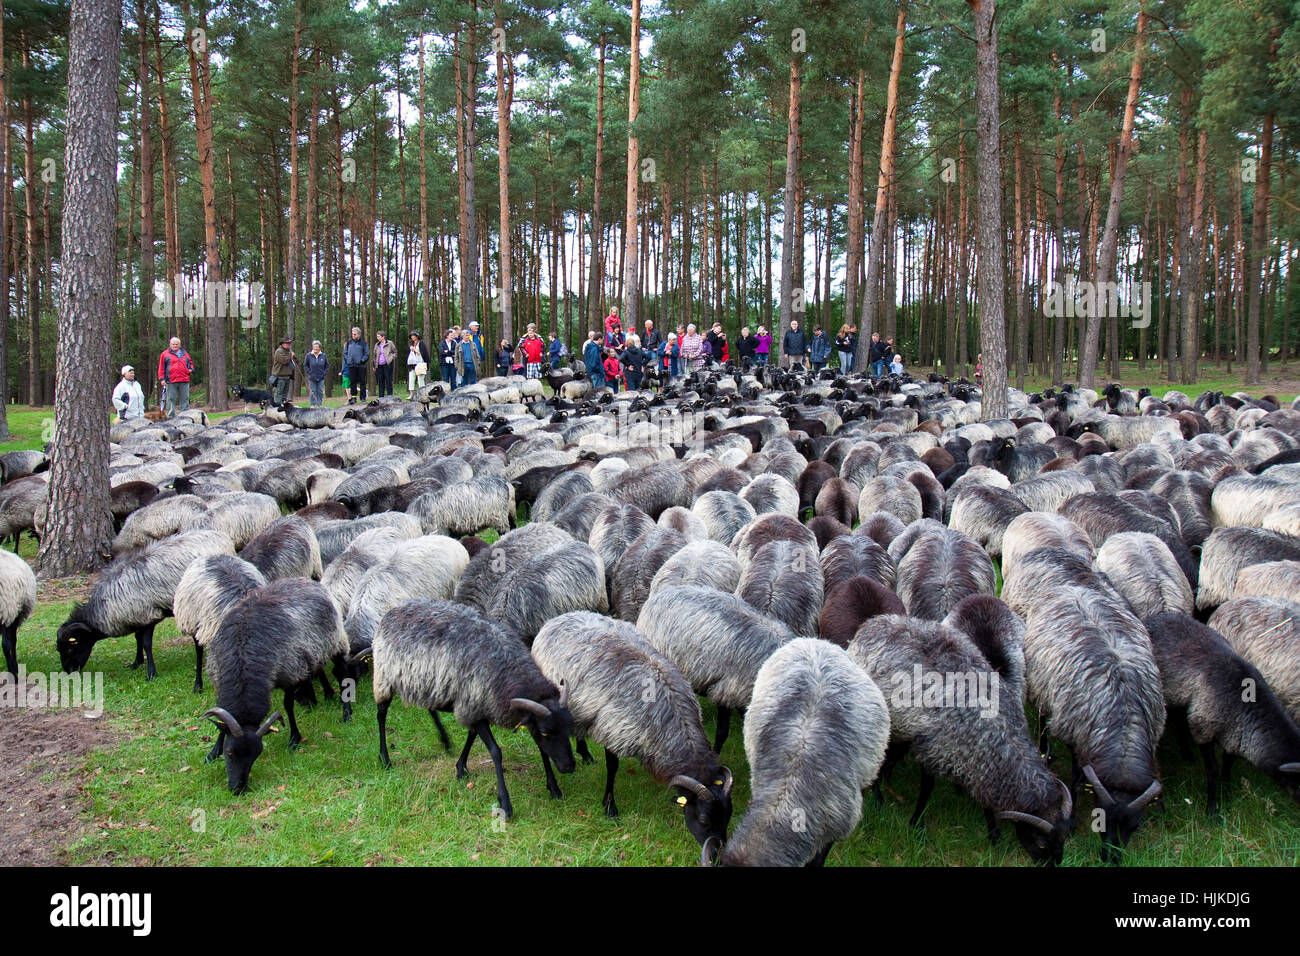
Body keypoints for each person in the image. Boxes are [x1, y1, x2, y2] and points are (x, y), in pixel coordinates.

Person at [157, 336, 195, 416]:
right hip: (171, 380)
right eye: (173, 344)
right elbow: (161, 367)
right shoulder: (165, 354)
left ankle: (185, 416)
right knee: (171, 399)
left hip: (184, 379)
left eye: (176, 344)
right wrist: (162, 379)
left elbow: (190, 363)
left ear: (180, 345)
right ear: (170, 344)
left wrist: (190, 369)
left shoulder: (185, 353)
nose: (175, 346)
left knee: (185, 399)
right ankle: (171, 416)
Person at [343, 326, 369, 403]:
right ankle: (353, 397)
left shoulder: (363, 343)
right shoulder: (349, 343)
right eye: (352, 334)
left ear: (359, 334)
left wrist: (362, 360)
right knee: (352, 382)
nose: (353, 335)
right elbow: (345, 353)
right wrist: (348, 360)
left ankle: (363, 397)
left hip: (361, 366)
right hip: (351, 365)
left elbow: (367, 354)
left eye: (355, 334)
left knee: (362, 382)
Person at [270, 336, 298, 405]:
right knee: (278, 394)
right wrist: (291, 356)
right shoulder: (279, 351)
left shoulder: (288, 352)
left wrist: (294, 357)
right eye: (287, 343)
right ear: (283, 344)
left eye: (289, 343)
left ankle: (282, 408)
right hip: (279, 377)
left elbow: (296, 361)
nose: (289, 345)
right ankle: (277, 408)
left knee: (285, 394)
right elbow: (284, 361)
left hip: (287, 376)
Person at [373, 330, 397, 398]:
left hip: (387, 365)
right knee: (380, 381)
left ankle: (390, 396)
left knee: (388, 380)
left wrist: (390, 358)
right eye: (377, 336)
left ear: (383, 337)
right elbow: (374, 355)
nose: (377, 338)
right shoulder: (377, 345)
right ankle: (381, 397)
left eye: (379, 336)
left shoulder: (389, 343)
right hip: (379, 365)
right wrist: (374, 365)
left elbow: (395, 352)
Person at [407, 330, 431, 395]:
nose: (412, 337)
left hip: (420, 364)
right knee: (411, 379)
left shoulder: (421, 344)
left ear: (417, 336)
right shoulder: (411, 344)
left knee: (420, 380)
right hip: (412, 364)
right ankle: (411, 394)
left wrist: (414, 349)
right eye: (411, 336)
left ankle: (422, 394)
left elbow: (423, 354)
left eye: (413, 335)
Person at [304, 340, 328, 407]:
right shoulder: (308, 355)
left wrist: (324, 372)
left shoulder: (323, 355)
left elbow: (327, 365)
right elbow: (305, 365)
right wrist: (309, 372)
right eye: (314, 348)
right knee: (313, 391)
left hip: (321, 377)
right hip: (312, 377)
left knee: (320, 391)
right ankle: (312, 405)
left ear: (319, 348)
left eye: (317, 348)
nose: (315, 349)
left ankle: (319, 404)